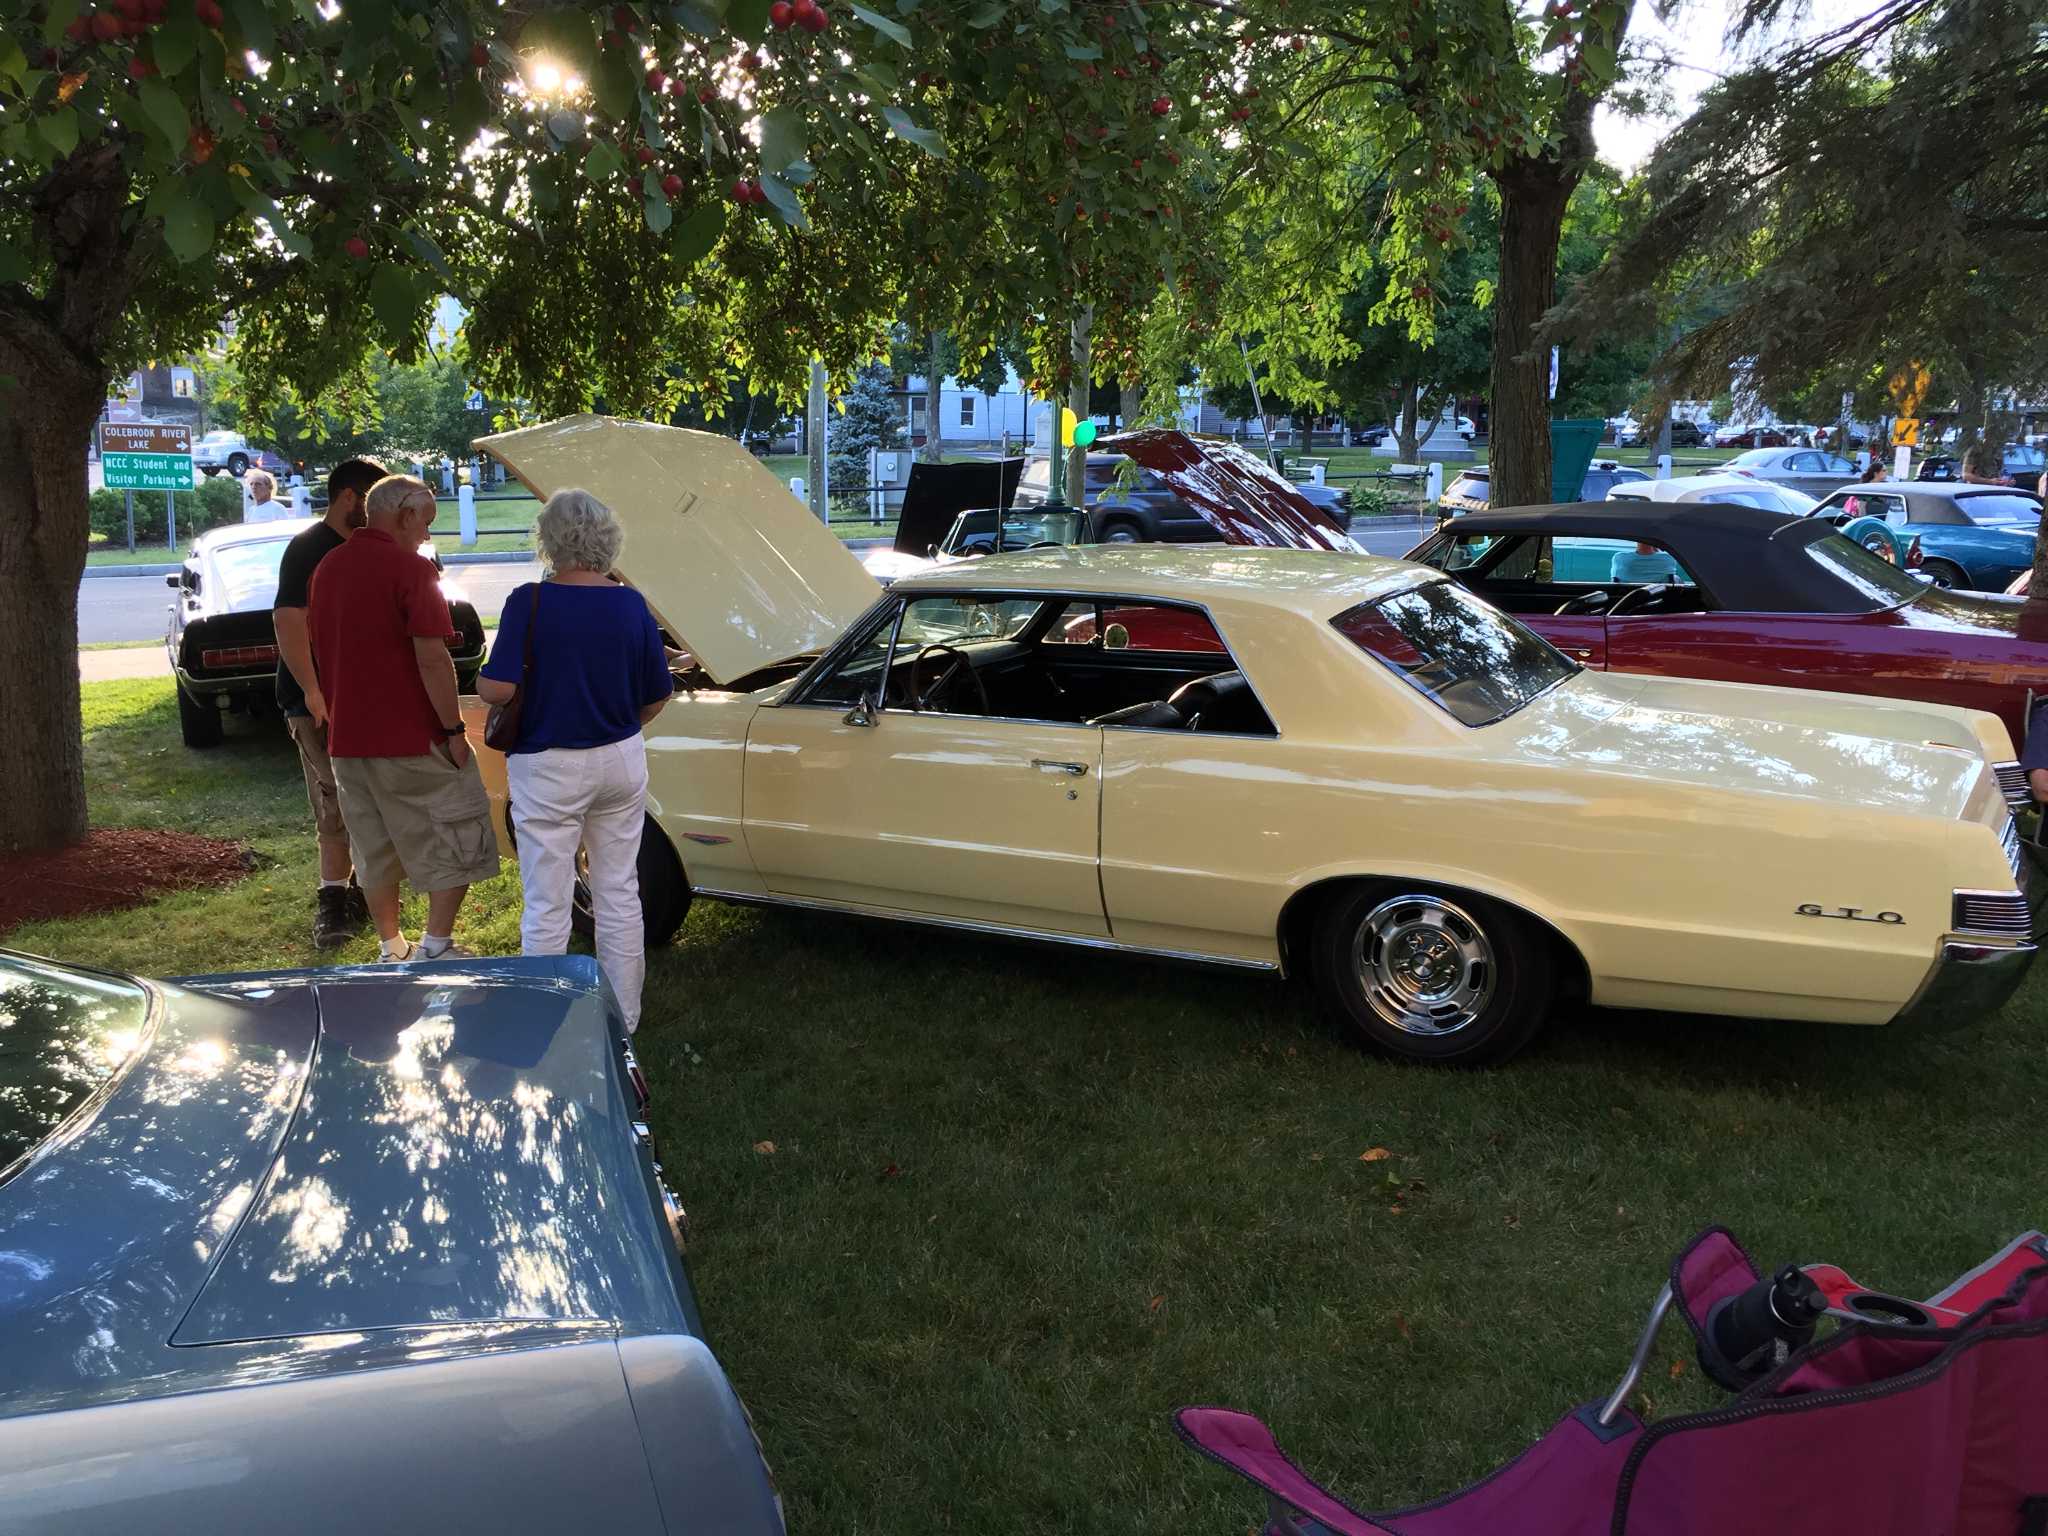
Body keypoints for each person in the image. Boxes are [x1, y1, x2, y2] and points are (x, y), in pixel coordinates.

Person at [476, 489, 672, 1032]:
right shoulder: (630, 603)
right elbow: (657, 694)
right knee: (618, 889)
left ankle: (545, 1020)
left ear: (551, 540)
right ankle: (623, 1020)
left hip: (548, 765)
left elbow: (496, 689)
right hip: (620, 758)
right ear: (606, 539)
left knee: (548, 896)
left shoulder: (529, 601)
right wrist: (620, 729)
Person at [309, 474, 498, 962]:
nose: (428, 534)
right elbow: (433, 658)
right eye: (427, 521)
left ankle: (392, 949)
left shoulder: (328, 566)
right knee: (454, 831)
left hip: (347, 740)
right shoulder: (411, 570)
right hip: (412, 737)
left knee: (374, 850)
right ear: (404, 514)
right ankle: (436, 945)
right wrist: (454, 731)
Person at [273, 456, 384, 949]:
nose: (380, 512)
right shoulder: (308, 549)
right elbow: (289, 622)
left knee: (372, 800)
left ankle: (365, 889)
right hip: (314, 702)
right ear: (348, 499)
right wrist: (313, 691)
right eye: (373, 501)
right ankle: (333, 903)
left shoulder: (373, 550)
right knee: (334, 802)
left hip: (365, 699)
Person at [1610, 541, 1680, 584]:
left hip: (1627, 601)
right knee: (1676, 578)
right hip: (1659, 601)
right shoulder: (1668, 558)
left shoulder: (1620, 557)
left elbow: (1615, 578)